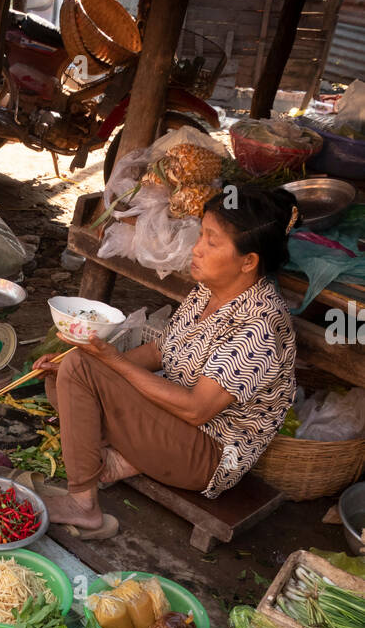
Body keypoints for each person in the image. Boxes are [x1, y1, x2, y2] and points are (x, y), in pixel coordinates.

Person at [33, 186, 298, 539]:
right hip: (174, 421)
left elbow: (195, 411)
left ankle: (84, 504)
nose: (197, 248)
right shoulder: (209, 290)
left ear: (248, 261)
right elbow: (162, 350)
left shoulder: (261, 327)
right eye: (201, 234)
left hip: (207, 452)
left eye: (212, 242)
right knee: (69, 375)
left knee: (80, 370)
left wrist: (106, 363)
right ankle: (117, 461)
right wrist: (101, 366)